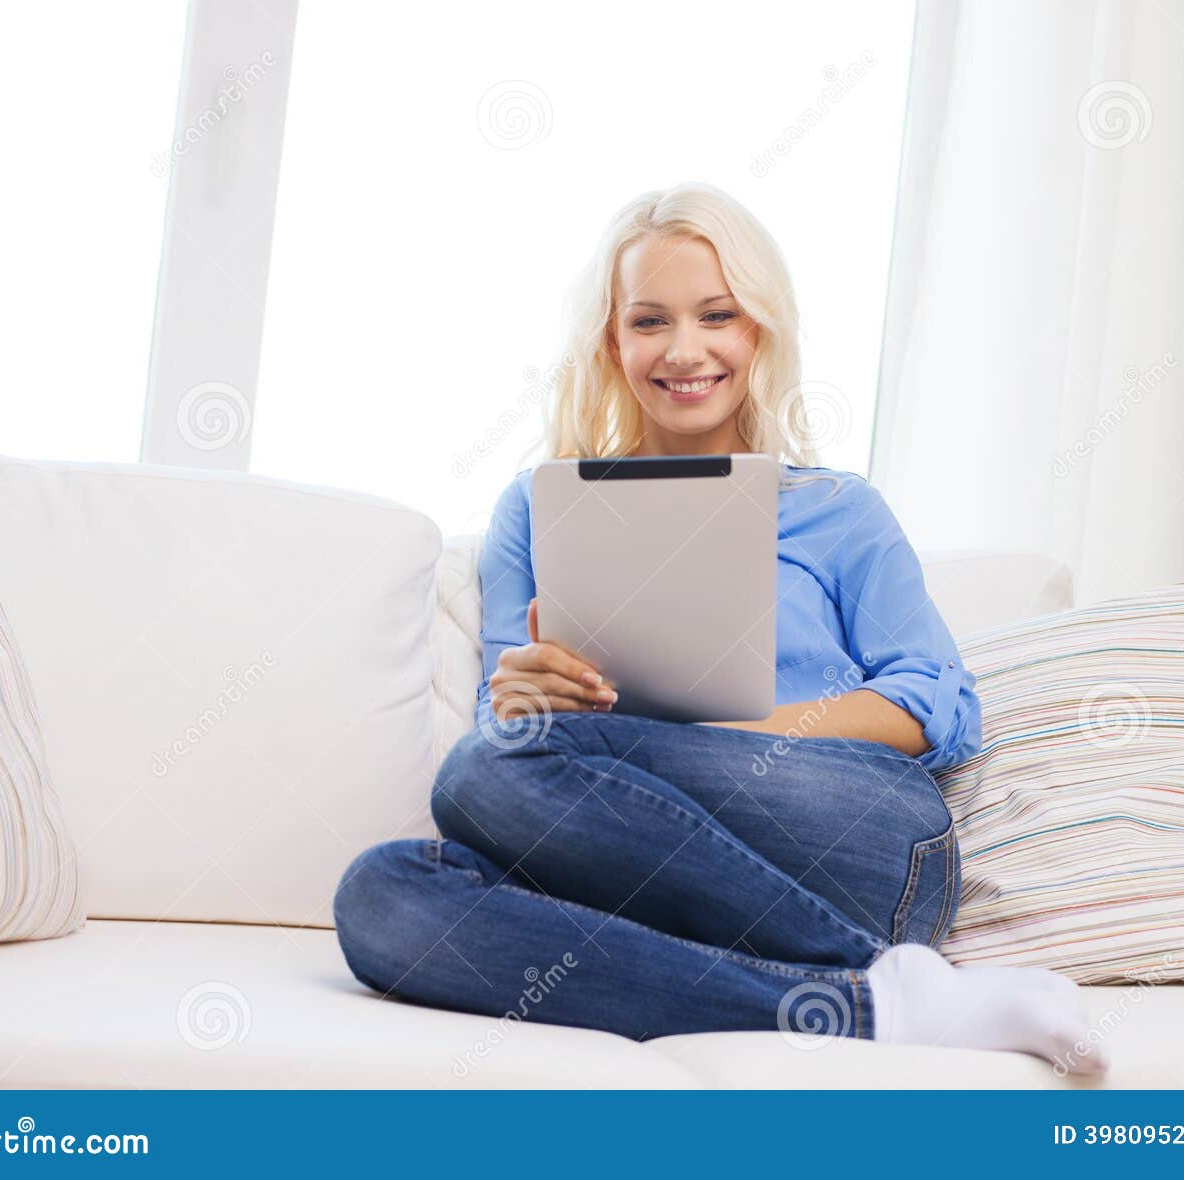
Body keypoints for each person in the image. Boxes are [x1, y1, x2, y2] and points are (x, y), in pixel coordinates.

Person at [334, 182, 1104, 1073]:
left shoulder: (837, 509)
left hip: (851, 833)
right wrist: (521, 695)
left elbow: (940, 704)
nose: (685, 350)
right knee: (385, 894)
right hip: (634, 864)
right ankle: (872, 1000)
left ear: (760, 332)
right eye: (650, 321)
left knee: (485, 769)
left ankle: (861, 966)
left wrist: (746, 741)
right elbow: (512, 746)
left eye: (717, 315)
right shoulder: (538, 509)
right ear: (612, 344)